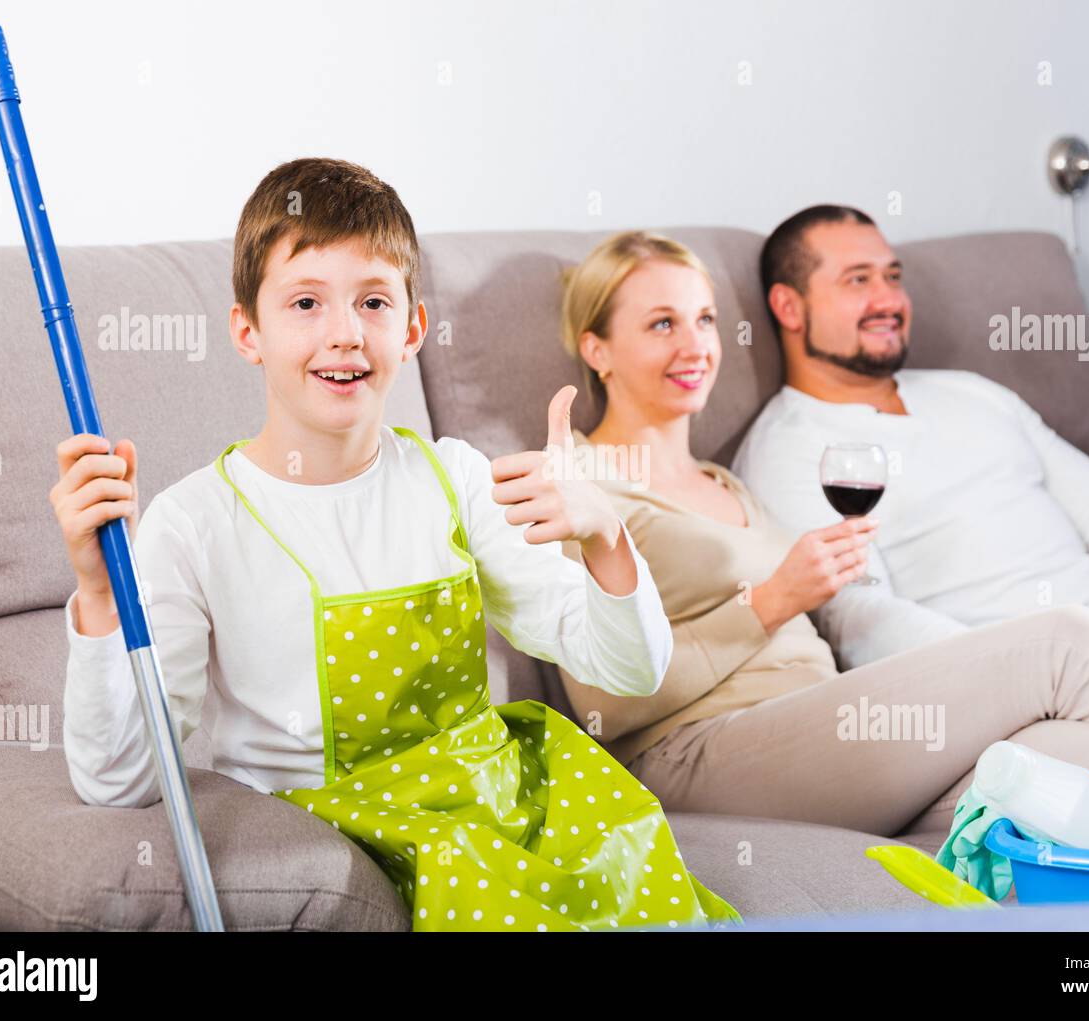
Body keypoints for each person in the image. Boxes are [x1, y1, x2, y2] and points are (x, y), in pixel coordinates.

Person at [50, 158, 740, 932]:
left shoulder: (456, 479)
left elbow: (631, 667)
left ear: (412, 327)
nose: (344, 333)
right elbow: (121, 778)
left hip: (499, 801)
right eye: (306, 301)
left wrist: (605, 533)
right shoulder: (194, 523)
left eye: (373, 301)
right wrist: (102, 596)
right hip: (360, 826)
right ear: (249, 330)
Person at [550, 229, 1089, 849]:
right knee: (1068, 639)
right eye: (662, 323)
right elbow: (603, 707)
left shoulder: (723, 482)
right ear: (596, 347)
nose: (695, 345)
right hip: (697, 752)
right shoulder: (580, 485)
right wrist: (769, 601)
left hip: (829, 734)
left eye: (704, 319)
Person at [732, 205, 1089, 770]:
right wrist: (1068, 655)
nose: (889, 300)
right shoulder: (790, 450)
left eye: (893, 277)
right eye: (858, 280)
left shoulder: (972, 393)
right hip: (1039, 686)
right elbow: (857, 617)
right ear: (788, 305)